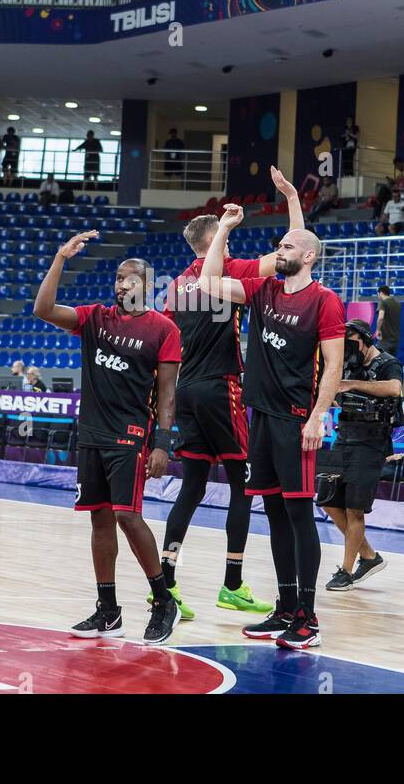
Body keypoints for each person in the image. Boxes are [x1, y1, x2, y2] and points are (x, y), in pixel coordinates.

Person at [157, 164, 303, 619]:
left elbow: (167, 346)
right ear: (215, 242)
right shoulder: (228, 271)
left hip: (186, 389)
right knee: (244, 484)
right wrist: (292, 200)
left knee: (191, 487)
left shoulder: (174, 288)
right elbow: (292, 255)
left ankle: (166, 581)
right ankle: (232, 585)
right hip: (222, 387)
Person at [198, 203, 346, 651]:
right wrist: (224, 229)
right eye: (278, 246)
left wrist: (318, 416)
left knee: (299, 515)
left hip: (296, 420)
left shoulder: (324, 300)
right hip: (260, 416)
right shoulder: (263, 290)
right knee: (276, 513)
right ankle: (285, 607)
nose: (279, 251)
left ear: (309, 256)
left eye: (287, 246)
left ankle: (308, 617)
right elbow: (207, 283)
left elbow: (334, 366)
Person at [34, 234, 182, 645]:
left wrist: (162, 443)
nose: (121, 284)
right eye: (118, 278)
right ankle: (108, 610)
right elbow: (43, 309)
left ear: (146, 286)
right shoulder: (94, 318)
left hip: (130, 437)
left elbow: (167, 394)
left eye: (130, 279)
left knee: (127, 516)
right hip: (92, 435)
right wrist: (60, 257)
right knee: (99, 519)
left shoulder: (163, 329)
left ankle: (163, 600)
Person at [318, 319, 401, 591]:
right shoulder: (347, 362)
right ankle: (368, 556)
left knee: (354, 509)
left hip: (371, 443)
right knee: (327, 500)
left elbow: (394, 388)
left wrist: (351, 384)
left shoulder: (388, 363)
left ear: (365, 340)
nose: (347, 348)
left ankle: (346, 571)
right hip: (343, 437)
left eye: (352, 342)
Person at [376, 285, 400, 356]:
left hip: (385, 339)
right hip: (395, 339)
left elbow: (380, 318)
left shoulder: (383, 302)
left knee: (382, 359)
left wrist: (378, 330)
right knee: (392, 360)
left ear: (380, 293)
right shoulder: (397, 303)